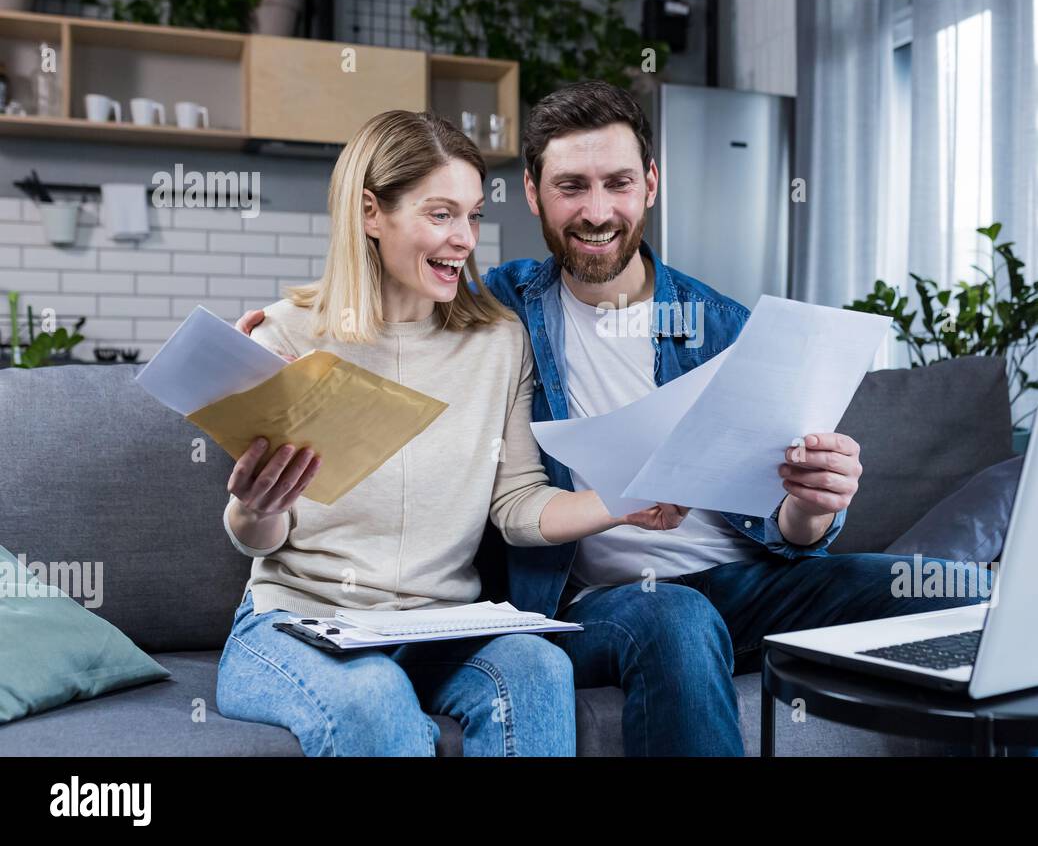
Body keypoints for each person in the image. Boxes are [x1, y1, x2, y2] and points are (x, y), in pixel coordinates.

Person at [237, 86, 991, 757]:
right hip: (616, 602)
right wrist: (274, 342)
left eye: (618, 183)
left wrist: (811, 505)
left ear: (650, 186)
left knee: (954, 591)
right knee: (677, 614)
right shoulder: (504, 312)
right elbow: (379, 305)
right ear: (533, 195)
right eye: (571, 187)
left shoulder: (722, 325)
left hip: (750, 584)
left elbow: (791, 536)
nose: (597, 211)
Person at [215, 108, 689, 757]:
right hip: (298, 624)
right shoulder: (285, 338)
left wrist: (626, 500)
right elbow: (257, 532)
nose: (464, 238)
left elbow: (518, 502)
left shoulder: (497, 342)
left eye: (472, 216)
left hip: (440, 630)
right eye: (441, 214)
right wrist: (254, 507)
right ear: (369, 213)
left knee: (538, 666)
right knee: (372, 693)